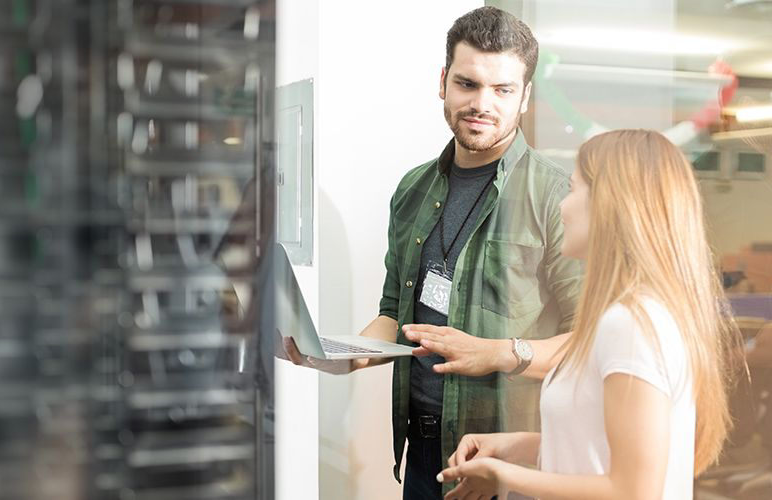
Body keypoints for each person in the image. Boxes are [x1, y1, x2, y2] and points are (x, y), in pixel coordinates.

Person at [279, 7, 583, 499]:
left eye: (503, 90)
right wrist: (343, 356)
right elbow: (393, 315)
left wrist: (497, 354)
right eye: (467, 84)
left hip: (507, 461)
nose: (482, 103)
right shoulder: (413, 189)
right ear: (443, 81)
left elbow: (588, 343)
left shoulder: (557, 197)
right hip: (422, 454)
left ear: (525, 97)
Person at [430, 129, 744, 499]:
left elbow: (633, 492)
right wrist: (516, 446)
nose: (563, 206)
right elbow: (599, 450)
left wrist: (504, 476)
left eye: (574, 190)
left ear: (611, 204)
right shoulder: (629, 316)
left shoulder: (631, 324)